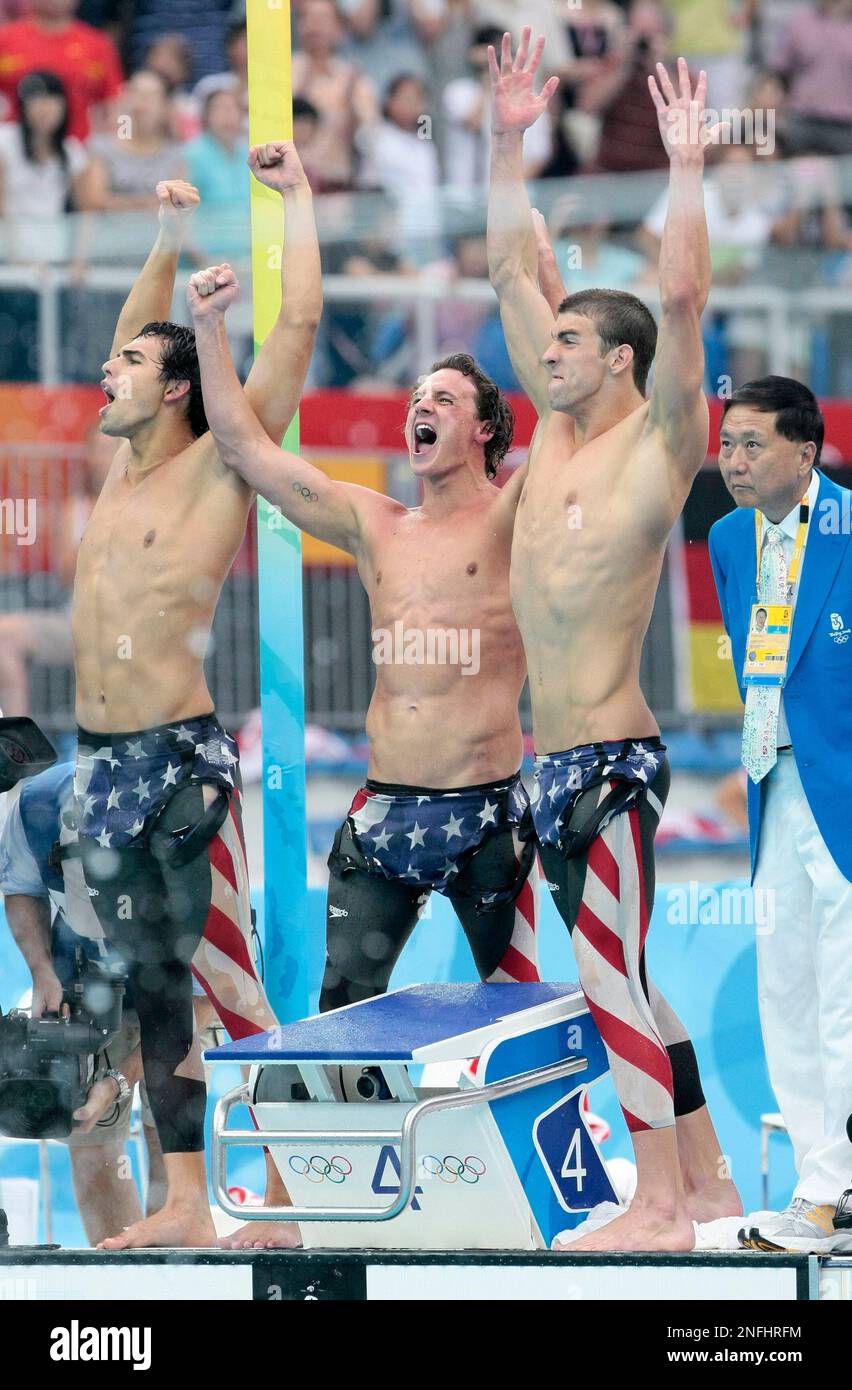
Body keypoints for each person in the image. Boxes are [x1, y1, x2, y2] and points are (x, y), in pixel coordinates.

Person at [487, 28, 741, 1251]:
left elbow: (684, 294)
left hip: (609, 765)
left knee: (605, 983)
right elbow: (503, 269)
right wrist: (501, 141)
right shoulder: (549, 432)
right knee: (636, 981)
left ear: (619, 357)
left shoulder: (656, 446)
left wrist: (687, 168)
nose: (546, 357)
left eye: (567, 344)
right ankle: (713, 1179)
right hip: (550, 767)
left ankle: (660, 1210)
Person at [70, 145, 319, 1251]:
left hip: (176, 763)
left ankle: (287, 1194)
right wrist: (167, 240)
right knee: (158, 994)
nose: (104, 375)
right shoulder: (121, 467)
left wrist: (296, 202)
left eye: (128, 363)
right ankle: (184, 1201)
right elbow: (142, 316)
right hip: (97, 763)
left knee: (230, 979)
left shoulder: (219, 461)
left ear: (175, 387)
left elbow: (298, 335)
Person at [186, 269, 541, 1014]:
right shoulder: (375, 523)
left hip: (488, 820)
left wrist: (540, 280)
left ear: (484, 431)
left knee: (518, 1013)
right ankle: (348, 1135)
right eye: (417, 397)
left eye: (445, 399)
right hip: (385, 813)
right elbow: (244, 450)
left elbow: (576, 418)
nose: (423, 405)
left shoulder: (513, 518)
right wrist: (210, 327)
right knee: (341, 1013)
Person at [709, 376, 852, 1254]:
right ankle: (820, 1185)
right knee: (787, 993)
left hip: (844, 793)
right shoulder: (728, 537)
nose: (733, 460)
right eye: (727, 443)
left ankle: (836, 1190)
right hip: (773, 786)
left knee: (844, 997)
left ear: (807, 452)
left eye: (753, 444)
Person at [0, 763, 167, 1246]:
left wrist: (116, 1081)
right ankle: (119, 1275)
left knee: (173, 1131)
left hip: (173, 979)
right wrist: (41, 972)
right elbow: (21, 890)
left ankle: (179, 1268)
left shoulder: (180, 830)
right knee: (88, 1141)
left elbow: (195, 1017)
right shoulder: (35, 806)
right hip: (81, 975)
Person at [0, 0, 123, 140]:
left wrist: (125, 143)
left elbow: (117, 103)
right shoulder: (5, 39)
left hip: (79, 147)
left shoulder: (97, 45)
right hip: (13, 148)